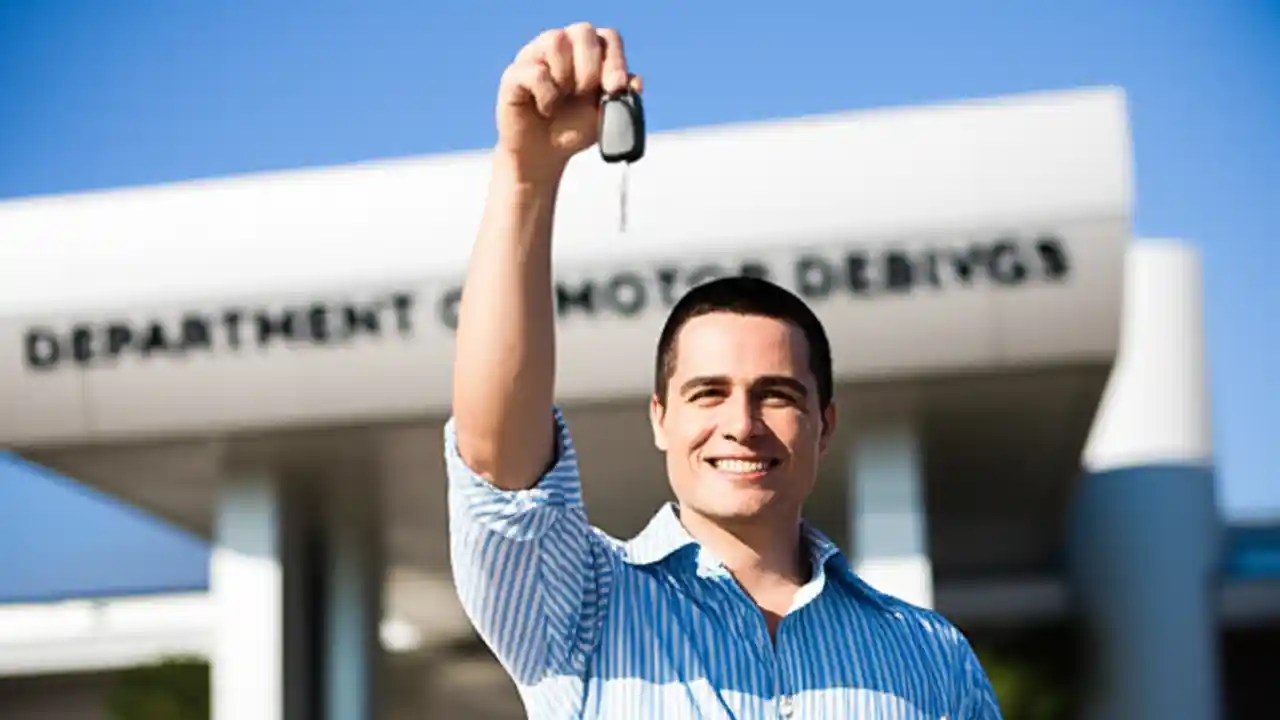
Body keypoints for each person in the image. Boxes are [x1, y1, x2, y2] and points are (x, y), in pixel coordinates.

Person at [444, 21, 1003, 719]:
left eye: (776, 395)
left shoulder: (930, 655)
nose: (740, 425)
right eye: (708, 393)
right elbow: (497, 465)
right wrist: (526, 175)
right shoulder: (579, 608)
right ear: (660, 417)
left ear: (824, 424)